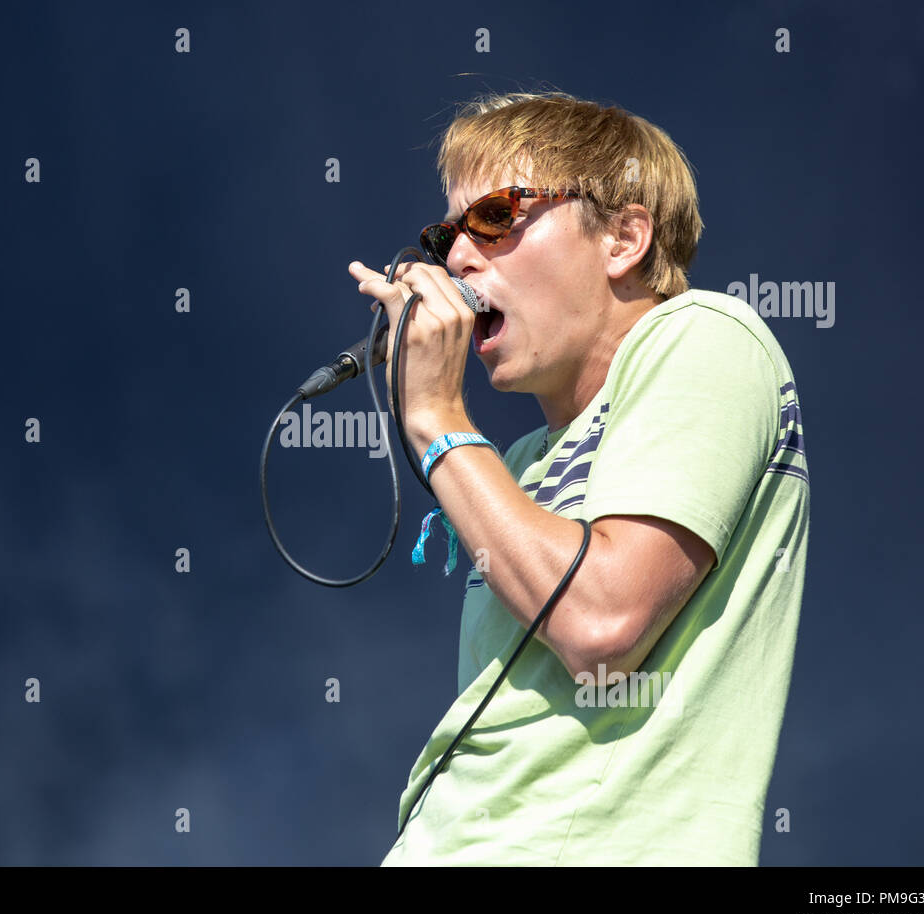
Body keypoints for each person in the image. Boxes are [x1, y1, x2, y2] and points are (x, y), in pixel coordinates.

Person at [347, 90, 810, 865]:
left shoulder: (707, 336)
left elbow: (601, 623)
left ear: (623, 238)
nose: (457, 257)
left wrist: (434, 419)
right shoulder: (517, 463)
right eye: (446, 234)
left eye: (495, 215)